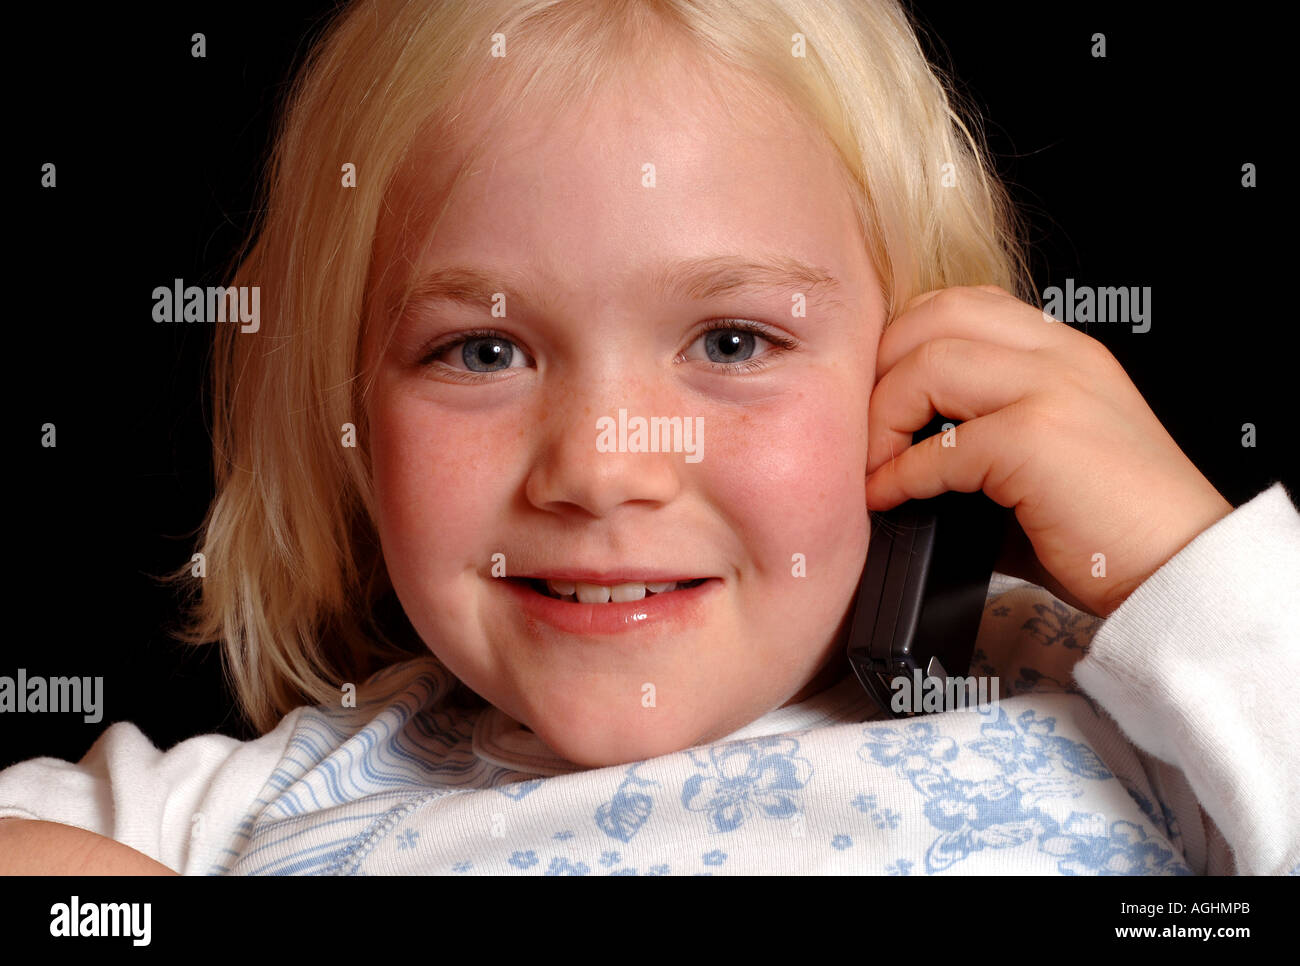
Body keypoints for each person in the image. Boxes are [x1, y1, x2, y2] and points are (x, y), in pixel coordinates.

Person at [2, 0, 1296, 876]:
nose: (601, 463)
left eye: (732, 342)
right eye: (483, 349)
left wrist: (1196, 567)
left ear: (922, 366)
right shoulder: (256, 802)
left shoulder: (1150, 706)